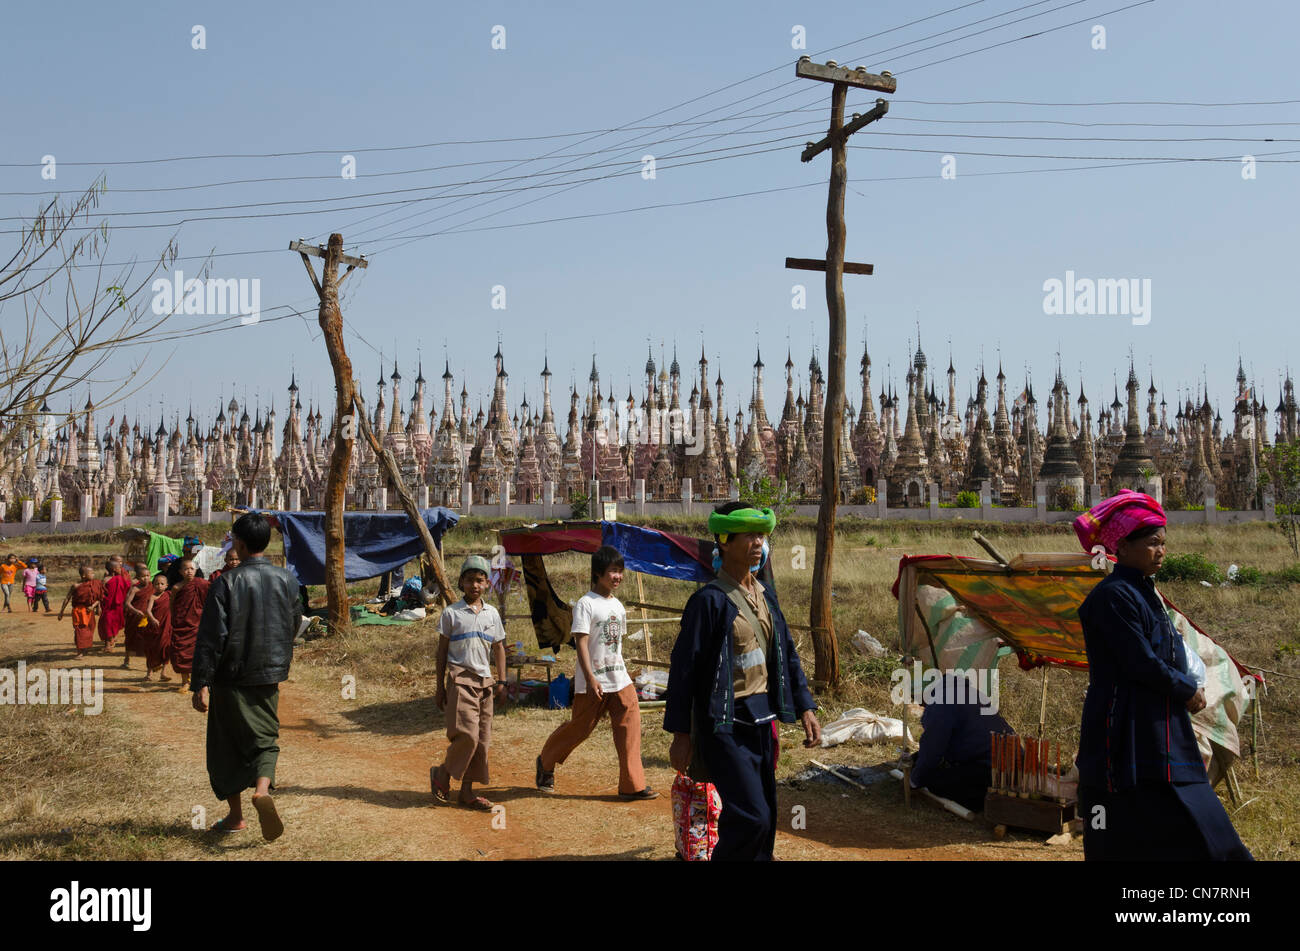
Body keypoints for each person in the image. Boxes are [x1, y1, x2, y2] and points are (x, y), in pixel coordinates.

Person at [1074, 489, 1252, 861]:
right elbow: (1139, 660)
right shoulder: (1112, 597)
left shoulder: (1145, 594)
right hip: (1121, 724)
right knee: (1112, 819)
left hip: (1160, 722)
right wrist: (1188, 690)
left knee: (1198, 815)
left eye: (1163, 543)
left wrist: (1189, 683)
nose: (1161, 551)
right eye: (1152, 543)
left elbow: (1169, 651)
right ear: (1121, 546)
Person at [664, 501, 822, 860]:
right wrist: (681, 736)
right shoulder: (708, 602)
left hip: (762, 722)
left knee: (765, 818)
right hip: (726, 726)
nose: (758, 542)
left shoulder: (766, 596)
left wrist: (806, 707)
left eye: (761, 535)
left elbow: (787, 654)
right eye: (749, 535)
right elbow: (683, 671)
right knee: (753, 818)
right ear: (725, 541)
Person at [191, 512, 301, 841]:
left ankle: (236, 816)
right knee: (265, 739)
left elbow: (212, 637)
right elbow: (294, 623)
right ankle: (263, 789)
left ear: (238, 543)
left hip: (230, 676)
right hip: (269, 674)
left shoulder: (226, 582)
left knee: (226, 745)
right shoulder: (287, 579)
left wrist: (201, 682)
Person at [537, 546, 656, 800]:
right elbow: (581, 642)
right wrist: (590, 678)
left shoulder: (619, 607)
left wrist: (627, 674)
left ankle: (631, 785)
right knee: (580, 728)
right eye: (613, 571)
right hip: (593, 680)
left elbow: (614, 645)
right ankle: (546, 760)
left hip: (619, 678)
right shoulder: (585, 604)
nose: (618, 576)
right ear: (598, 573)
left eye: (620, 571)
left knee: (629, 726)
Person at [430, 555, 507, 811]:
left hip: (485, 684)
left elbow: (499, 649)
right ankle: (442, 774)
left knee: (482, 741)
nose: (475, 585)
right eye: (470, 580)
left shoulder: (492, 614)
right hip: (460, 680)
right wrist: (440, 687)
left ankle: (467, 792)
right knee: (468, 737)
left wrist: (502, 681)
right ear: (462, 582)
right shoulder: (452, 614)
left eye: (480, 580)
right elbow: (441, 653)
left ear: (487, 585)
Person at [908, 672, 1011, 813]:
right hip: (1011, 760)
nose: (919, 704)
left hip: (993, 769)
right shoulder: (967, 692)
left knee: (934, 780)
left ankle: (986, 800)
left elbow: (933, 749)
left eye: (917, 698)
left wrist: (914, 780)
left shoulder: (941, 702)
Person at [168, 557, 210, 690]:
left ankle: (199, 680)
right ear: (180, 572)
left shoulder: (203, 584)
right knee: (181, 652)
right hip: (182, 625)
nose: (189, 571)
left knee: (200, 652)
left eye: (192, 569)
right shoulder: (176, 587)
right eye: (186, 569)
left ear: (196, 570)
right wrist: (173, 620)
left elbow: (210, 601)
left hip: (199, 623)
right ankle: (185, 681)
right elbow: (172, 605)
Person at [57, 564, 103, 657]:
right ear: (84, 575)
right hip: (78, 611)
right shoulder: (76, 586)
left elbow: (99, 598)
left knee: (89, 630)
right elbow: (67, 598)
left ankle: (85, 649)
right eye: (91, 573)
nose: (93, 575)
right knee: (80, 631)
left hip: (89, 611)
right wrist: (61, 611)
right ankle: (79, 651)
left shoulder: (96, 584)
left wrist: (93, 606)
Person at [140, 573, 172, 681]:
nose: (159, 586)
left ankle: (163, 673)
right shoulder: (152, 597)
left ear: (167, 585)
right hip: (154, 627)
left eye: (162, 584)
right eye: (157, 584)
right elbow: (148, 610)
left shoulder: (169, 595)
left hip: (166, 626)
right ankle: (149, 674)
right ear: (153, 585)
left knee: (165, 648)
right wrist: (153, 619)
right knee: (152, 649)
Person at [122, 563, 153, 671]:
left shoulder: (152, 586)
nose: (146, 578)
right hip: (134, 617)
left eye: (148, 576)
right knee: (130, 637)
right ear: (138, 578)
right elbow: (127, 603)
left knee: (147, 638)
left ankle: (149, 663)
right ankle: (127, 659)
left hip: (147, 617)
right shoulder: (135, 589)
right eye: (143, 576)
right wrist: (136, 611)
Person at [98, 556, 131, 652]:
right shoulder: (106, 580)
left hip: (118, 606)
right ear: (113, 569)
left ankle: (112, 640)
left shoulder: (120, 578)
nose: (121, 569)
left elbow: (127, 588)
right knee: (107, 624)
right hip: (108, 606)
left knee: (115, 623)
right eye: (119, 567)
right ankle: (108, 644)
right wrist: (99, 606)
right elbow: (101, 594)